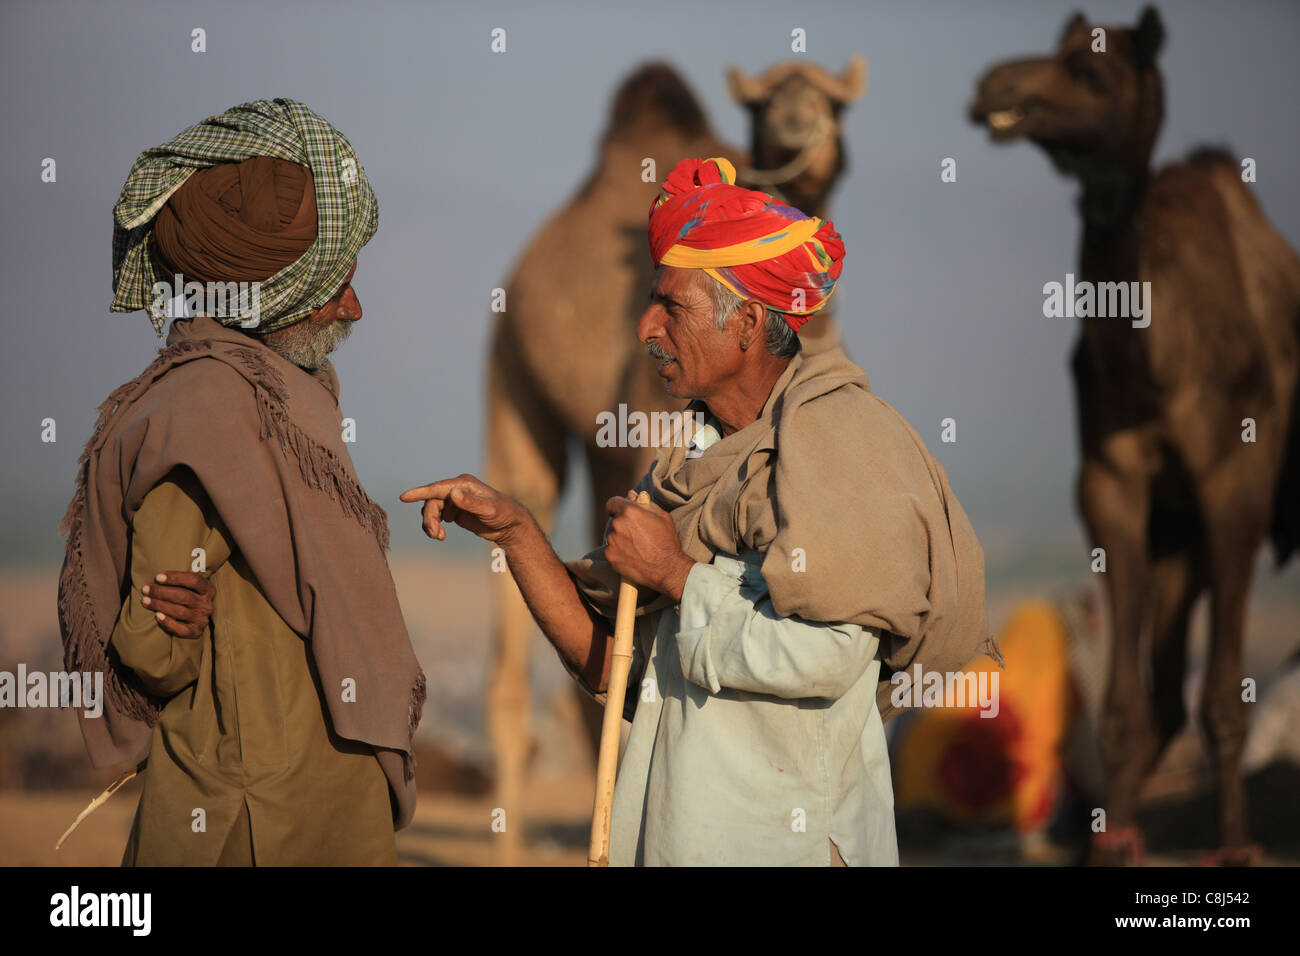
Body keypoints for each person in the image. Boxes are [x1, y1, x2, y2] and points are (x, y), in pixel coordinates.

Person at [401, 157, 989, 866]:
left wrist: (676, 574)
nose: (646, 328)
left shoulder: (842, 441)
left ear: (744, 322)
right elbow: (616, 672)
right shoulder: (691, 467)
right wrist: (518, 533)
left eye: (670, 307)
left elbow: (830, 657)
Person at [57, 99, 425, 866]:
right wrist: (168, 616)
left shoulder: (281, 393)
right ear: (279, 292)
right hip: (253, 811)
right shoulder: (207, 412)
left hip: (313, 793)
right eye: (337, 285)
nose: (355, 306)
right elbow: (155, 648)